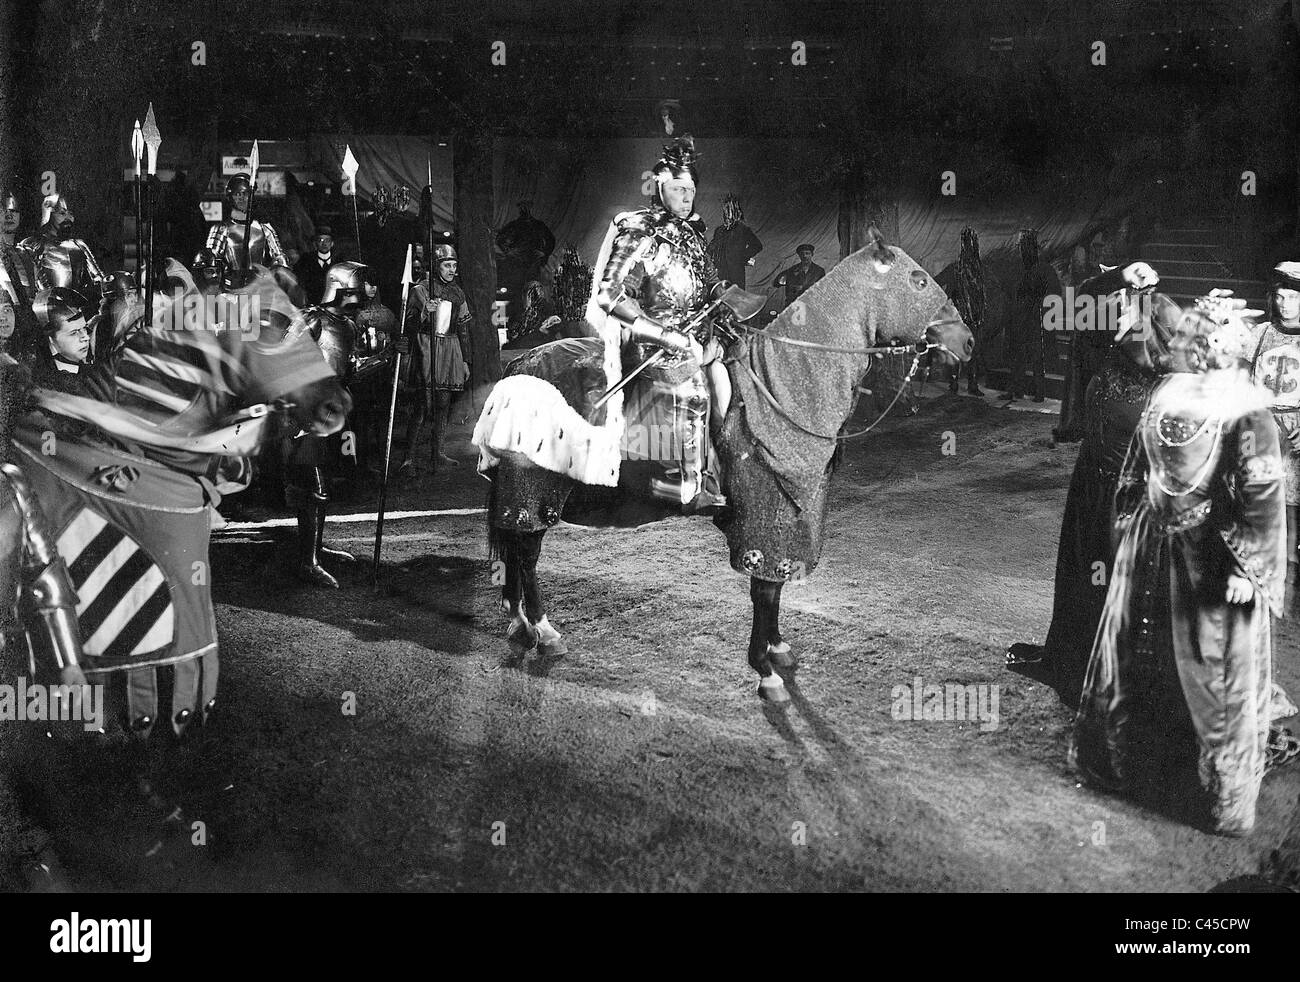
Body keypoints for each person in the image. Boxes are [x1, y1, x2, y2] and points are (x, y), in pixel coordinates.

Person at [1072, 296, 1287, 836]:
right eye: (1192, 337)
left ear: (1227, 345)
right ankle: (1124, 766)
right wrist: (1124, 517)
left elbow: (1263, 494)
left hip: (1209, 554)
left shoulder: (1247, 410)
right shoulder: (1168, 391)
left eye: (1206, 338)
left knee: (1207, 671)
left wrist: (1250, 569)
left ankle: (1214, 797)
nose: (1194, 346)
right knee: (1136, 655)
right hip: (1147, 545)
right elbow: (1137, 464)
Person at [1006, 261, 1180, 706]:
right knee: (1076, 577)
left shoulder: (1165, 378)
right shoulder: (1110, 347)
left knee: (1113, 587)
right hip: (1090, 485)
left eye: (1124, 307)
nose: (1114, 312)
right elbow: (1083, 300)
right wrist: (1122, 274)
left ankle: (1106, 678)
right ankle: (1063, 660)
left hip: (1129, 499)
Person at [593, 135, 732, 513]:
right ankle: (686, 488)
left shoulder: (694, 234)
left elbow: (709, 283)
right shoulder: (641, 229)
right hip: (656, 343)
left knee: (736, 379)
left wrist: (727, 300)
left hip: (699, 338)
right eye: (677, 188)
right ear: (659, 189)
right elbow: (609, 295)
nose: (687, 197)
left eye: (691, 189)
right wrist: (666, 335)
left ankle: (727, 472)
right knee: (695, 394)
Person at [281, 262, 363, 588]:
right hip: (303, 413)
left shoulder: (349, 327)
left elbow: (347, 374)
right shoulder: (311, 318)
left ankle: (313, 549)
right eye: (354, 290)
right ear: (339, 288)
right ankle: (308, 561)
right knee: (315, 490)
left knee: (322, 487)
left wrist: (387, 357)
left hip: (329, 414)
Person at [1247, 261, 1300, 608]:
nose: (1284, 304)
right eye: (1280, 297)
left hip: (1296, 435)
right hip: (1261, 429)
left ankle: (1291, 573)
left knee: (1293, 505)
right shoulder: (1260, 334)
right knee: (1258, 498)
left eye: (1292, 297)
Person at [400, 243, 472, 474]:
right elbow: (408, 323)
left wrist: (465, 360)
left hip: (450, 348)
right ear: (437, 266)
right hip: (427, 347)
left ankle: (438, 452)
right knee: (422, 404)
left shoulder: (458, 293)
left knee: (443, 403)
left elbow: (463, 328)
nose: (452, 270)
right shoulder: (421, 290)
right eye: (447, 265)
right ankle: (408, 458)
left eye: (454, 265)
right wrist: (424, 312)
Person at [1002, 229, 1061, 403]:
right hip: (1019, 318)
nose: (1024, 252)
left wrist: (1041, 306)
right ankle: (1015, 390)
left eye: (1027, 248)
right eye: (1022, 249)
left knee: (1037, 356)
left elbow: (1054, 293)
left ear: (1033, 249)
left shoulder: (1045, 269)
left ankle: (1039, 392)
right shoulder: (1017, 270)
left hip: (1036, 319)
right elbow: (1011, 291)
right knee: (1016, 356)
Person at [200, 173, 287, 289]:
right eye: (237, 194)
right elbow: (211, 263)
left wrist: (272, 273)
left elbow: (280, 258)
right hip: (231, 290)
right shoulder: (221, 229)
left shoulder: (264, 227)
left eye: (245, 194)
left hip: (260, 289)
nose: (241, 198)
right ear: (230, 197)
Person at [17, 193, 108, 302]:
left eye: (71, 213)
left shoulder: (80, 245)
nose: (68, 218)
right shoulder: (32, 244)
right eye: (62, 213)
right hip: (42, 308)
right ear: (48, 215)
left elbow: (99, 279)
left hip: (77, 310)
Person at [938, 226, 987, 396]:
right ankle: (958, 384)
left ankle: (964, 384)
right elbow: (941, 285)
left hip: (971, 318)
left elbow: (981, 294)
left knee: (967, 351)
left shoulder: (975, 270)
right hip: (964, 318)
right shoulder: (959, 269)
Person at [0, 189, 37, 356]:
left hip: (25, 334)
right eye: (4, 210)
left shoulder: (26, 254)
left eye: (14, 211)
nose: (10, 215)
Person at [707, 193, 763, 289]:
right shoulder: (720, 230)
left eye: (728, 210)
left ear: (735, 211)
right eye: (724, 211)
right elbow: (711, 248)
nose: (726, 214)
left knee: (736, 299)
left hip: (736, 273)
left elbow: (757, 245)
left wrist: (742, 258)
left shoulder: (742, 229)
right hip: (721, 273)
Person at [293, 226, 339, 304]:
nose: (324, 243)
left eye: (327, 240)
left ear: (332, 244)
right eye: (320, 240)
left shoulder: (339, 261)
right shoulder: (305, 261)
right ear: (315, 243)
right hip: (311, 306)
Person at [773, 244, 825, 310]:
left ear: (812, 254)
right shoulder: (792, 270)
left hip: (811, 305)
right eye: (802, 254)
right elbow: (777, 283)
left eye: (807, 253)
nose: (804, 256)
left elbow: (822, 289)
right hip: (794, 305)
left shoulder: (819, 271)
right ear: (799, 255)